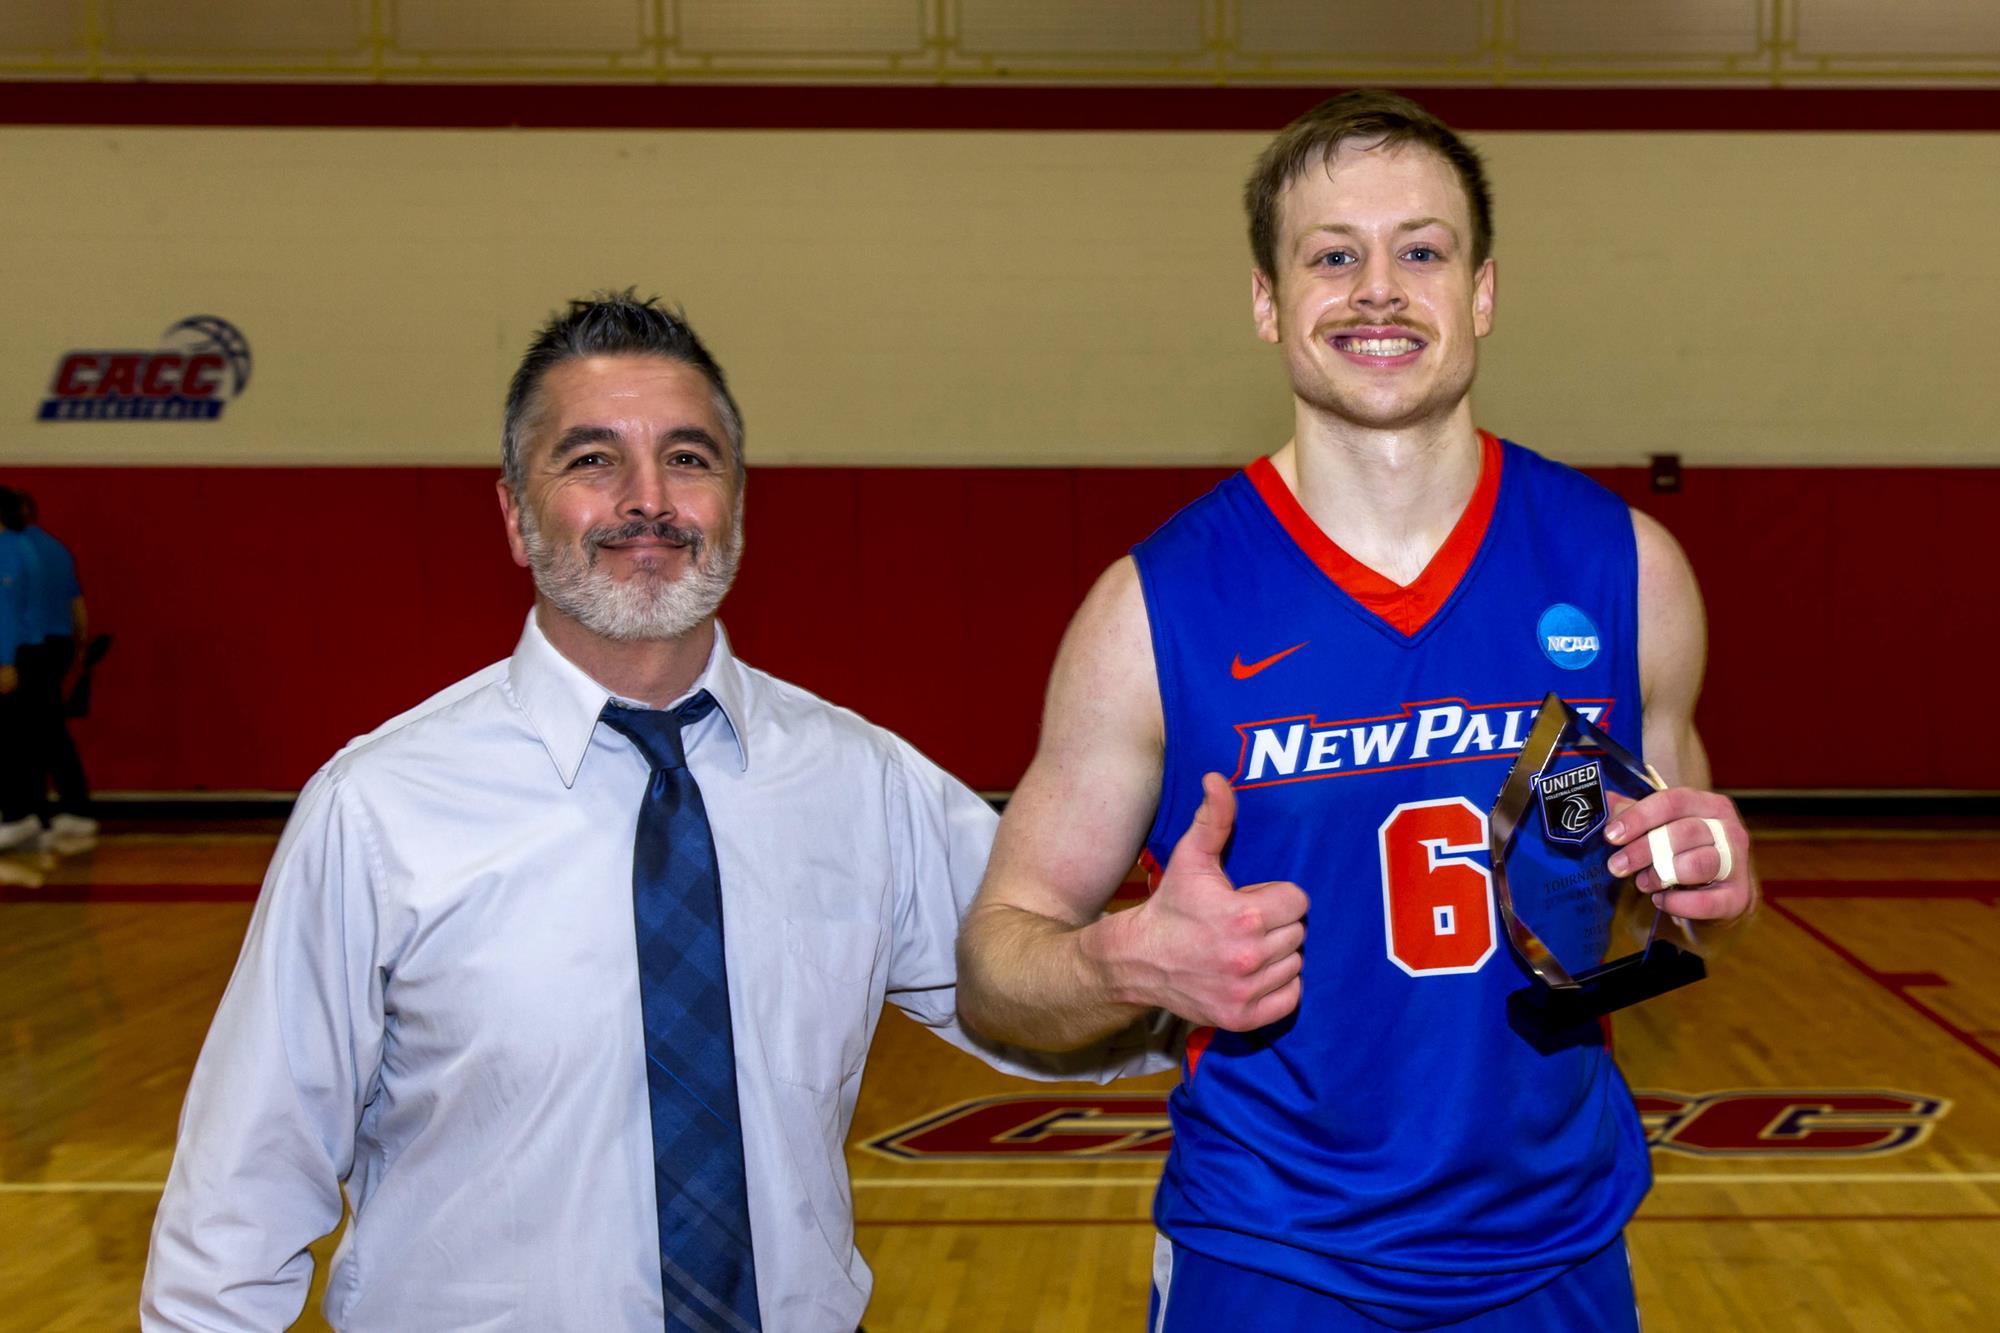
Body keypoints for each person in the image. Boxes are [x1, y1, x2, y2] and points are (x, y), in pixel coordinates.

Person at [142, 292, 1165, 1333]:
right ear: (512, 513)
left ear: (736, 499)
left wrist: (1208, 973)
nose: (648, 500)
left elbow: (1043, 981)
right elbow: (246, 1180)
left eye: (688, 457)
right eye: (590, 460)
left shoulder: (863, 783)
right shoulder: (376, 810)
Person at [955, 91, 1757, 1331]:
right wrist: (1125, 957)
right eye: (1332, 254)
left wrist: (1703, 882)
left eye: (1419, 251)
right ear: (1268, 303)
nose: (1377, 289)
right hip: (1270, 1260)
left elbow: (1664, 929)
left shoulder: (1624, 567)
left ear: (1480, 291)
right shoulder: (1149, 610)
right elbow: (995, 968)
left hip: (1554, 1255)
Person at [12, 491, 96, 842]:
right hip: (57, 646)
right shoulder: (55, 548)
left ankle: (33, 810)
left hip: (26, 648)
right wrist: (79, 646)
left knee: (25, 732)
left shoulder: (12, 550)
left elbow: (11, 607)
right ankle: (57, 808)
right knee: (46, 728)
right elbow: (76, 603)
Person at [0, 486, 44, 852]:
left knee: (11, 740)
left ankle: (18, 816)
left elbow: (7, 610)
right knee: (22, 738)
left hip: (16, 654)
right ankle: (25, 816)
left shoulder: (9, 550)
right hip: (29, 651)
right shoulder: (26, 545)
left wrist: (5, 661)